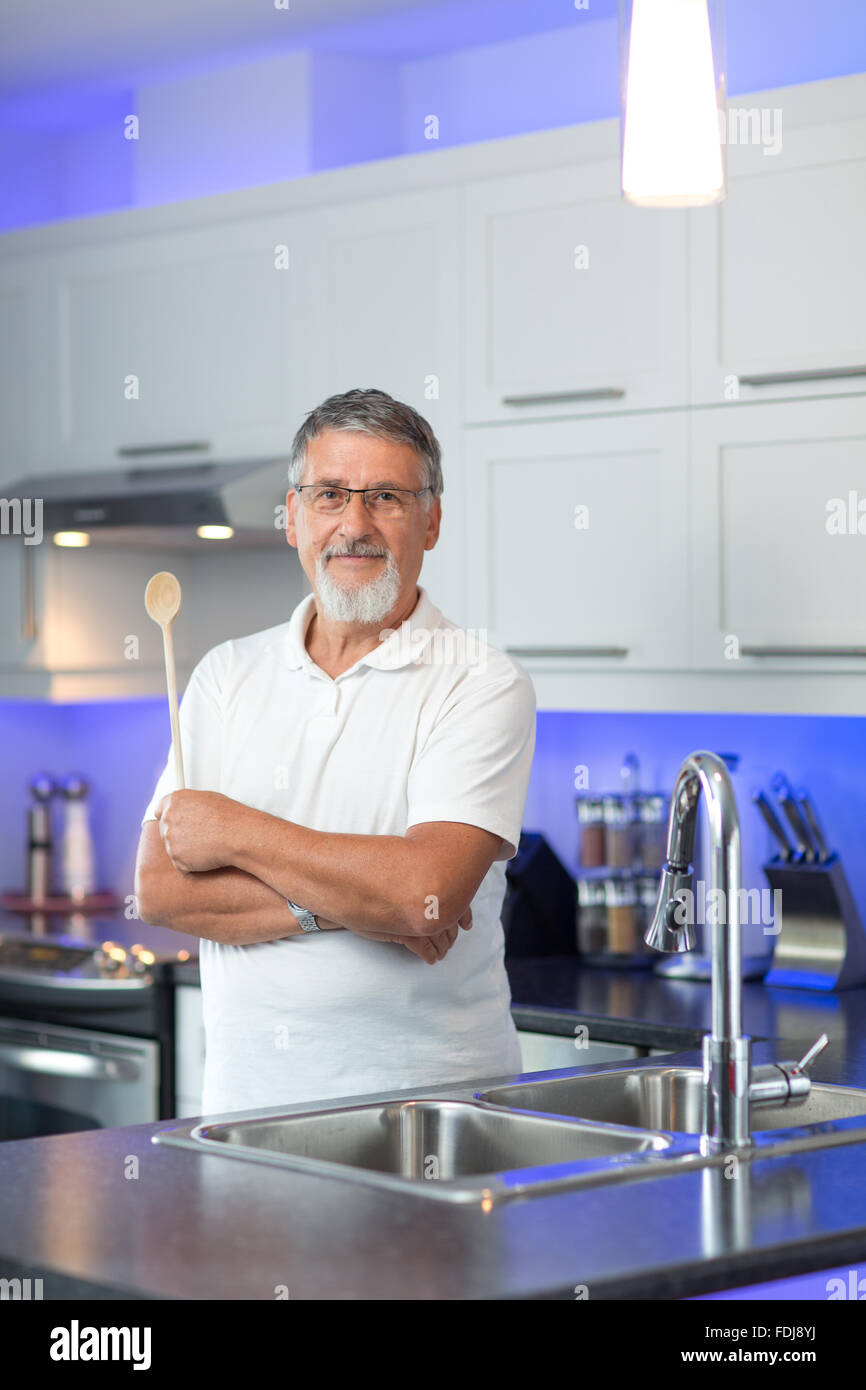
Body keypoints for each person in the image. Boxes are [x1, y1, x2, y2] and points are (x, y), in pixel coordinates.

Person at [135, 387, 536, 1114]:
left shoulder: (482, 680)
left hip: (432, 1118)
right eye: (329, 495)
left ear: (431, 520)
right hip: (247, 1118)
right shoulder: (226, 675)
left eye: (386, 496)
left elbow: (426, 895)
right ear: (293, 517)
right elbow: (162, 890)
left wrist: (231, 830)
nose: (355, 524)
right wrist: (361, 906)